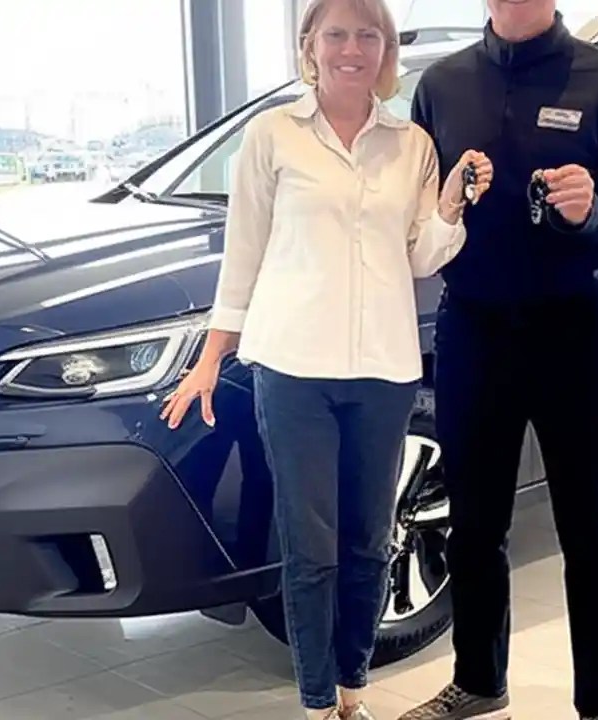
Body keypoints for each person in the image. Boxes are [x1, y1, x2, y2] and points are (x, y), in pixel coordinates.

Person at [160, 1, 493, 718]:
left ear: (385, 49)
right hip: (292, 368)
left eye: (367, 35)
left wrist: (451, 209)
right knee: (310, 548)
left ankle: (353, 691)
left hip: (383, 368)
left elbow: (419, 257)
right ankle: (316, 704)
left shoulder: (412, 145)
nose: (352, 48)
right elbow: (243, 252)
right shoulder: (273, 135)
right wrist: (211, 357)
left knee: (371, 544)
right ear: (309, 45)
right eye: (336, 34)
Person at [399, 2, 598, 720]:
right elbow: (419, 213)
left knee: (591, 528)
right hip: (473, 328)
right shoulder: (442, 84)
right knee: (475, 525)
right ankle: (480, 682)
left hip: (571, 331)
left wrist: (595, 214)